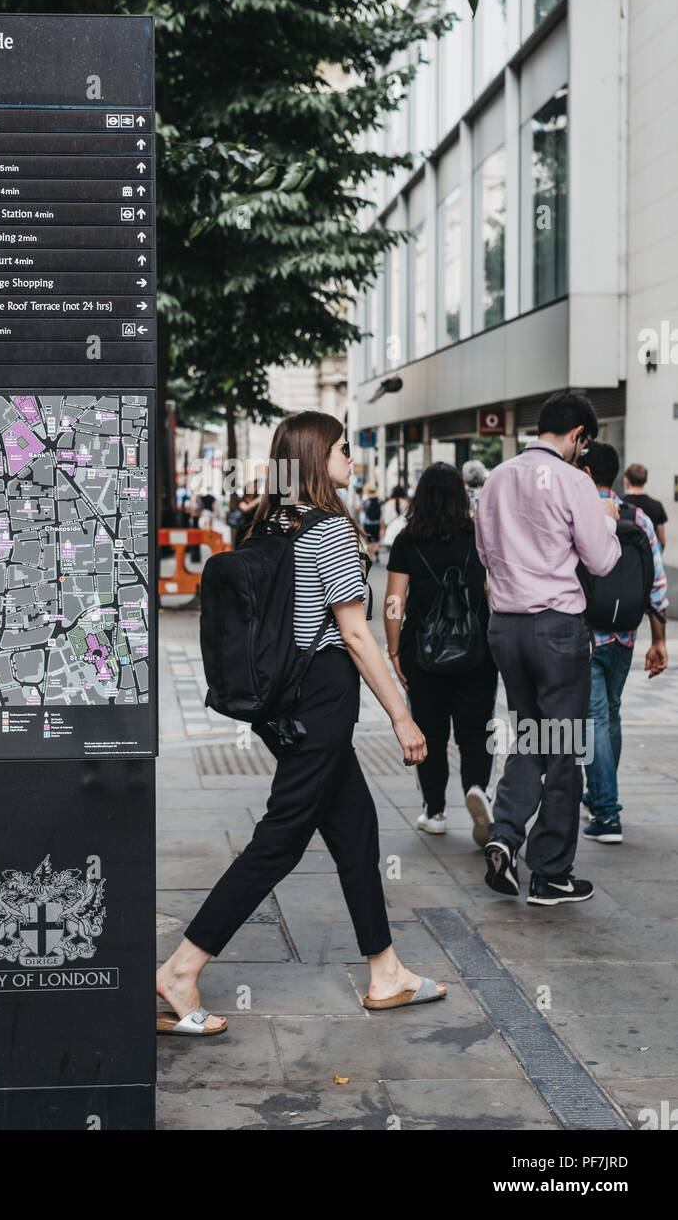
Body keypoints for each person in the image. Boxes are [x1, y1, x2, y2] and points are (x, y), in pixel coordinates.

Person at [156, 411, 444, 1036]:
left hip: (286, 698)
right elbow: (358, 635)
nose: (351, 458)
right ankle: (182, 967)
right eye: (342, 449)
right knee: (282, 835)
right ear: (319, 458)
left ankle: (385, 970)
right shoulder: (334, 530)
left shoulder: (270, 522)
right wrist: (403, 716)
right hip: (322, 697)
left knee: (356, 828)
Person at [474, 392, 621, 907]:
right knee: (564, 748)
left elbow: (485, 554)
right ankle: (552, 872)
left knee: (532, 734)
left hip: (506, 628)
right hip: (556, 628)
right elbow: (601, 561)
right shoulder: (574, 481)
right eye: (587, 441)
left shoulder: (496, 478)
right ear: (579, 434)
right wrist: (604, 517)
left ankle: (505, 833)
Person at [385, 463, 497, 845]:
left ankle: (434, 812)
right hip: (477, 651)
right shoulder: (479, 536)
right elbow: (493, 592)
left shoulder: (407, 540)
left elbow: (394, 602)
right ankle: (478, 789)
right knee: (477, 729)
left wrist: (394, 648)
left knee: (429, 731)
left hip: (423, 652)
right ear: (461, 495)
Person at [579, 442, 667, 843]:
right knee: (610, 713)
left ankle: (607, 813)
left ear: (583, 470)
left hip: (586, 632)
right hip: (626, 633)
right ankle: (601, 793)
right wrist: (659, 640)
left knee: (594, 719)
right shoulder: (639, 518)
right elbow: (657, 583)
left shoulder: (578, 512)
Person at [622, 462, 667, 555]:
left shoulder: (618, 504)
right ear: (645, 480)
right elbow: (662, 540)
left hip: (625, 559)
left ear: (626, 480)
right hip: (649, 556)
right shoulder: (657, 505)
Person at [359, 482, 383, 563]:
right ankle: (377, 555)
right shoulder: (379, 501)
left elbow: (363, 512)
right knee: (376, 540)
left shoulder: (366, 502)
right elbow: (382, 513)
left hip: (368, 524)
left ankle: (370, 557)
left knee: (368, 541)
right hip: (376, 524)